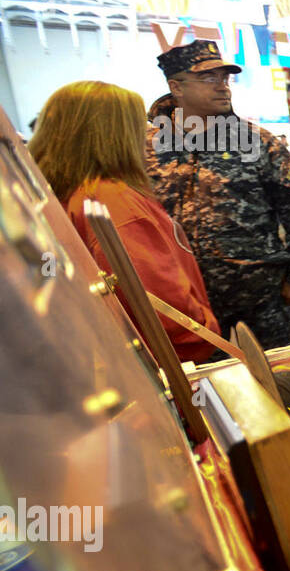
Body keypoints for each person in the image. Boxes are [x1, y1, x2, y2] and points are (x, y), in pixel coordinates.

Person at [25, 81, 221, 364]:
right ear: (114, 133)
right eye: (139, 122)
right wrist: (203, 332)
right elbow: (162, 306)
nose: (148, 133)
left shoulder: (70, 193)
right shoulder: (112, 201)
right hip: (164, 363)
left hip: (117, 358)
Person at [146, 41, 290, 349]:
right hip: (187, 299)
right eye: (208, 78)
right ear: (176, 86)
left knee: (287, 377)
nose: (222, 87)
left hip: (262, 296)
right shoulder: (148, 147)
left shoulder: (257, 142)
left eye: (224, 78)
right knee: (209, 388)